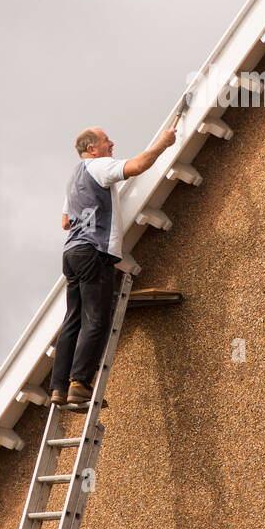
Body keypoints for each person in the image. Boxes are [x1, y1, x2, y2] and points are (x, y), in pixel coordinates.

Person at [50, 124, 177, 408]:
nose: (112, 143)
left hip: (71, 253)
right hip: (93, 252)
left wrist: (90, 213)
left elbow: (65, 222)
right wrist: (163, 143)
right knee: (96, 318)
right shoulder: (99, 167)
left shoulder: (74, 177)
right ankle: (79, 384)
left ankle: (58, 387)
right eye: (106, 140)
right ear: (91, 149)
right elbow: (137, 166)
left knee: (73, 320)